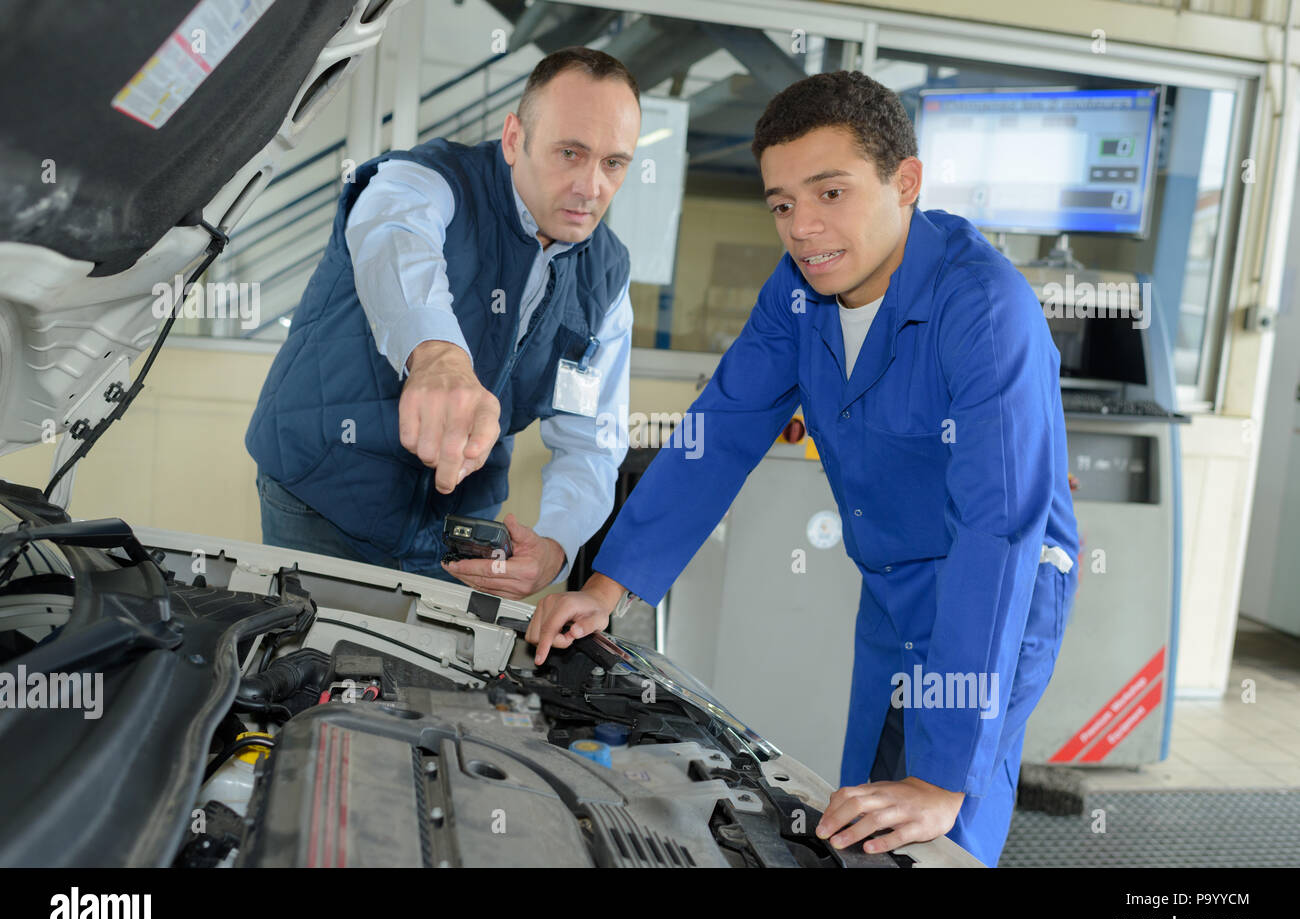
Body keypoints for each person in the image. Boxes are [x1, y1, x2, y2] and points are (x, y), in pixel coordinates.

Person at [524, 70, 1079, 867]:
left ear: (907, 182)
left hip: (997, 589)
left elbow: (998, 533)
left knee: (936, 827)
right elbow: (717, 431)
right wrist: (607, 587)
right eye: (782, 204)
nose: (803, 228)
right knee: (861, 817)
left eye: (831, 193)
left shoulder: (985, 310)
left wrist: (947, 779)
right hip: (891, 583)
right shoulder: (800, 292)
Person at [244, 47, 642, 599]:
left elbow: (592, 443)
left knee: (426, 683)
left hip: (456, 535)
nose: (590, 186)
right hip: (323, 495)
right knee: (310, 668)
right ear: (513, 139)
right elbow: (395, 239)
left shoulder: (609, 276)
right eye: (569, 153)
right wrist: (437, 356)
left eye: (613, 163)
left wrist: (556, 545)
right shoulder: (424, 180)